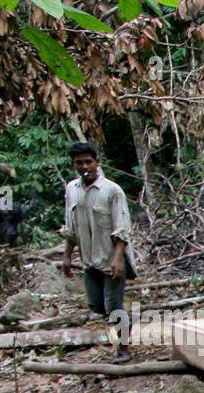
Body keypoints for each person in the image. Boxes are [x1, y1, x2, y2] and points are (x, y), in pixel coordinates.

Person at [61, 142, 135, 364]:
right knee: (96, 305)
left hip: (111, 259)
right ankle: (125, 325)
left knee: (113, 306)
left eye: (88, 162)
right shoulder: (72, 190)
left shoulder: (112, 191)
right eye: (79, 163)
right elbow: (71, 227)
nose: (84, 166)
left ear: (97, 162)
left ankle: (124, 350)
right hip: (89, 260)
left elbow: (122, 228)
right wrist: (67, 256)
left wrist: (118, 259)